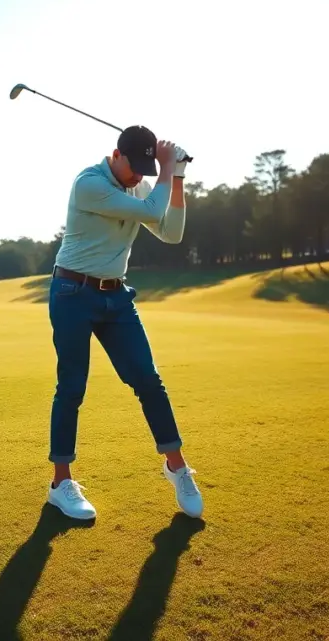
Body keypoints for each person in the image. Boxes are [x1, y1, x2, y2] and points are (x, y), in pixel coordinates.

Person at [44, 124, 202, 521]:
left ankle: (177, 468)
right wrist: (167, 168)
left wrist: (177, 178)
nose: (140, 177)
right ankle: (60, 484)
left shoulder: (139, 186)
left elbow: (171, 233)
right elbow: (152, 212)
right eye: (137, 167)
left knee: (148, 380)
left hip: (116, 295)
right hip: (72, 294)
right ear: (117, 154)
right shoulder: (89, 183)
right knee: (72, 387)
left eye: (148, 169)